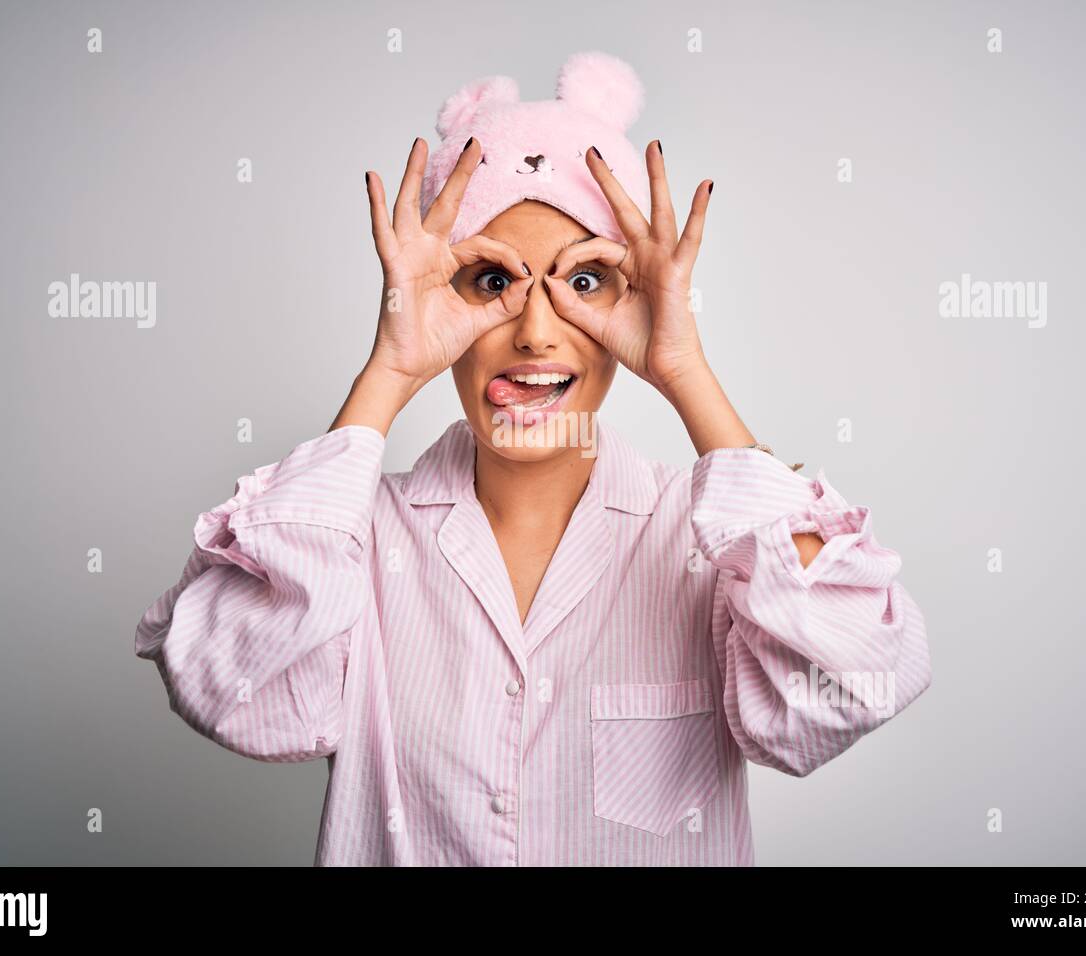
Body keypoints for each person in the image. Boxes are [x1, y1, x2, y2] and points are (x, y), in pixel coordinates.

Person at [135, 51, 932, 866]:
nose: (537, 333)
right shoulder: (357, 543)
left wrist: (687, 373)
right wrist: (389, 370)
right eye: (489, 281)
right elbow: (230, 691)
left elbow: (856, 682)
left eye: (585, 281)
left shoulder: (710, 549)